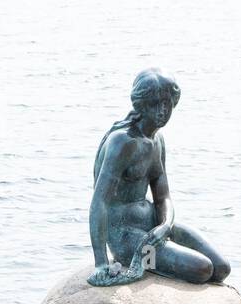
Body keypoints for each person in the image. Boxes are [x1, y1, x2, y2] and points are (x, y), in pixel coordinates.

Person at [89, 68, 231, 287]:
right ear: (142, 104)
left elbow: (163, 196)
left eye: (167, 103)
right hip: (127, 241)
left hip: (153, 227)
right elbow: (99, 202)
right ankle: (148, 263)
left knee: (221, 268)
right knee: (202, 269)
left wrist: (165, 225)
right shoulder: (122, 143)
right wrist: (101, 263)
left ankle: (160, 250)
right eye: (155, 103)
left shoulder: (157, 141)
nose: (163, 110)